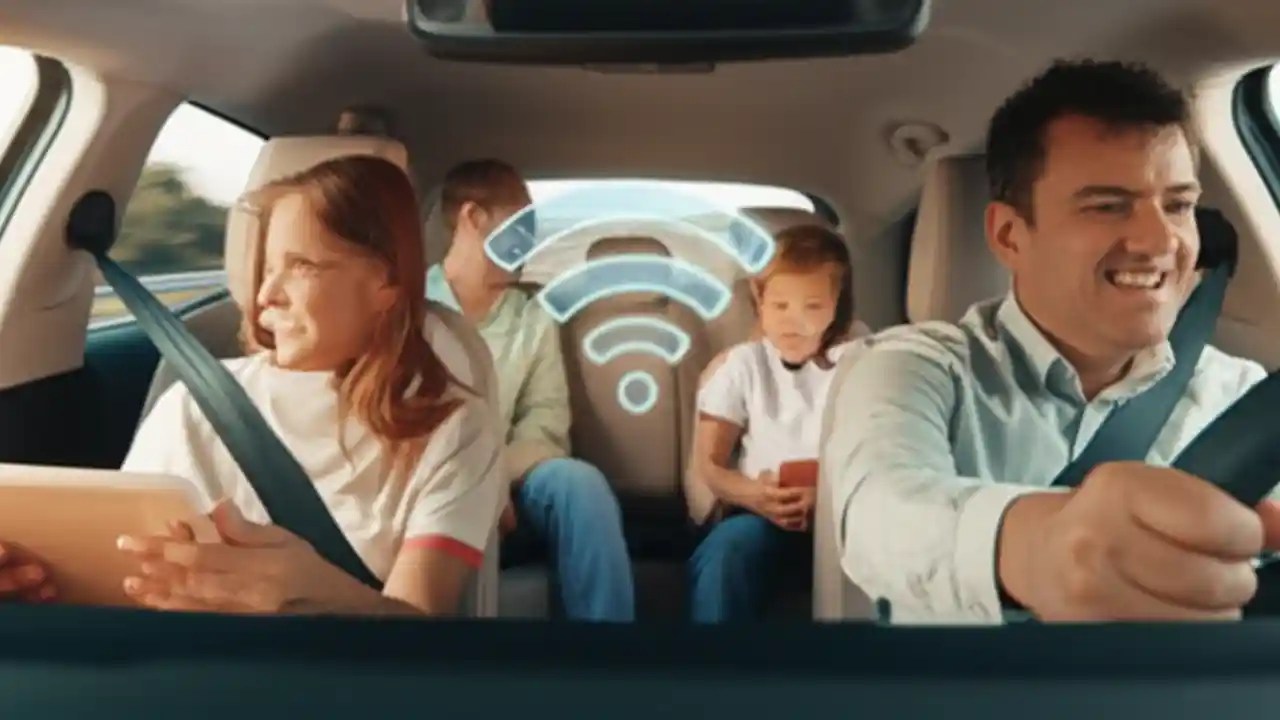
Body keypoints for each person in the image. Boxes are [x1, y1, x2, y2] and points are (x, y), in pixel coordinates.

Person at [823, 59, 1280, 624]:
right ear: (1010, 235)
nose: (1160, 240)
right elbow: (881, 513)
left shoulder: (1242, 398)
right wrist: (1038, 546)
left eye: (1178, 205)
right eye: (1107, 206)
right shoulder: (914, 368)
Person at [113, 155, 504, 616]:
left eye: (301, 265)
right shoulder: (191, 405)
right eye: (267, 268)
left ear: (385, 282)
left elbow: (419, 630)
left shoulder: (454, 430)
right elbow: (116, 578)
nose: (266, 295)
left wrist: (316, 591)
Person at [425, 159, 634, 622]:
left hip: (515, 488)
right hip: (427, 483)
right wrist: (471, 482)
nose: (532, 242)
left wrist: (498, 477)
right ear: (473, 217)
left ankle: (610, 654)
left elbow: (546, 419)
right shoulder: (410, 309)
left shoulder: (532, 318)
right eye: (522, 226)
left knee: (580, 484)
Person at [689, 224, 856, 622]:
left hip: (845, 519)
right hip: (760, 517)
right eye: (780, 306)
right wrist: (753, 494)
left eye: (812, 307)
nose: (792, 322)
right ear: (759, 300)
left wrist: (828, 497)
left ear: (838, 305)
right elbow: (708, 464)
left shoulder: (861, 362)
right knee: (729, 552)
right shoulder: (742, 366)